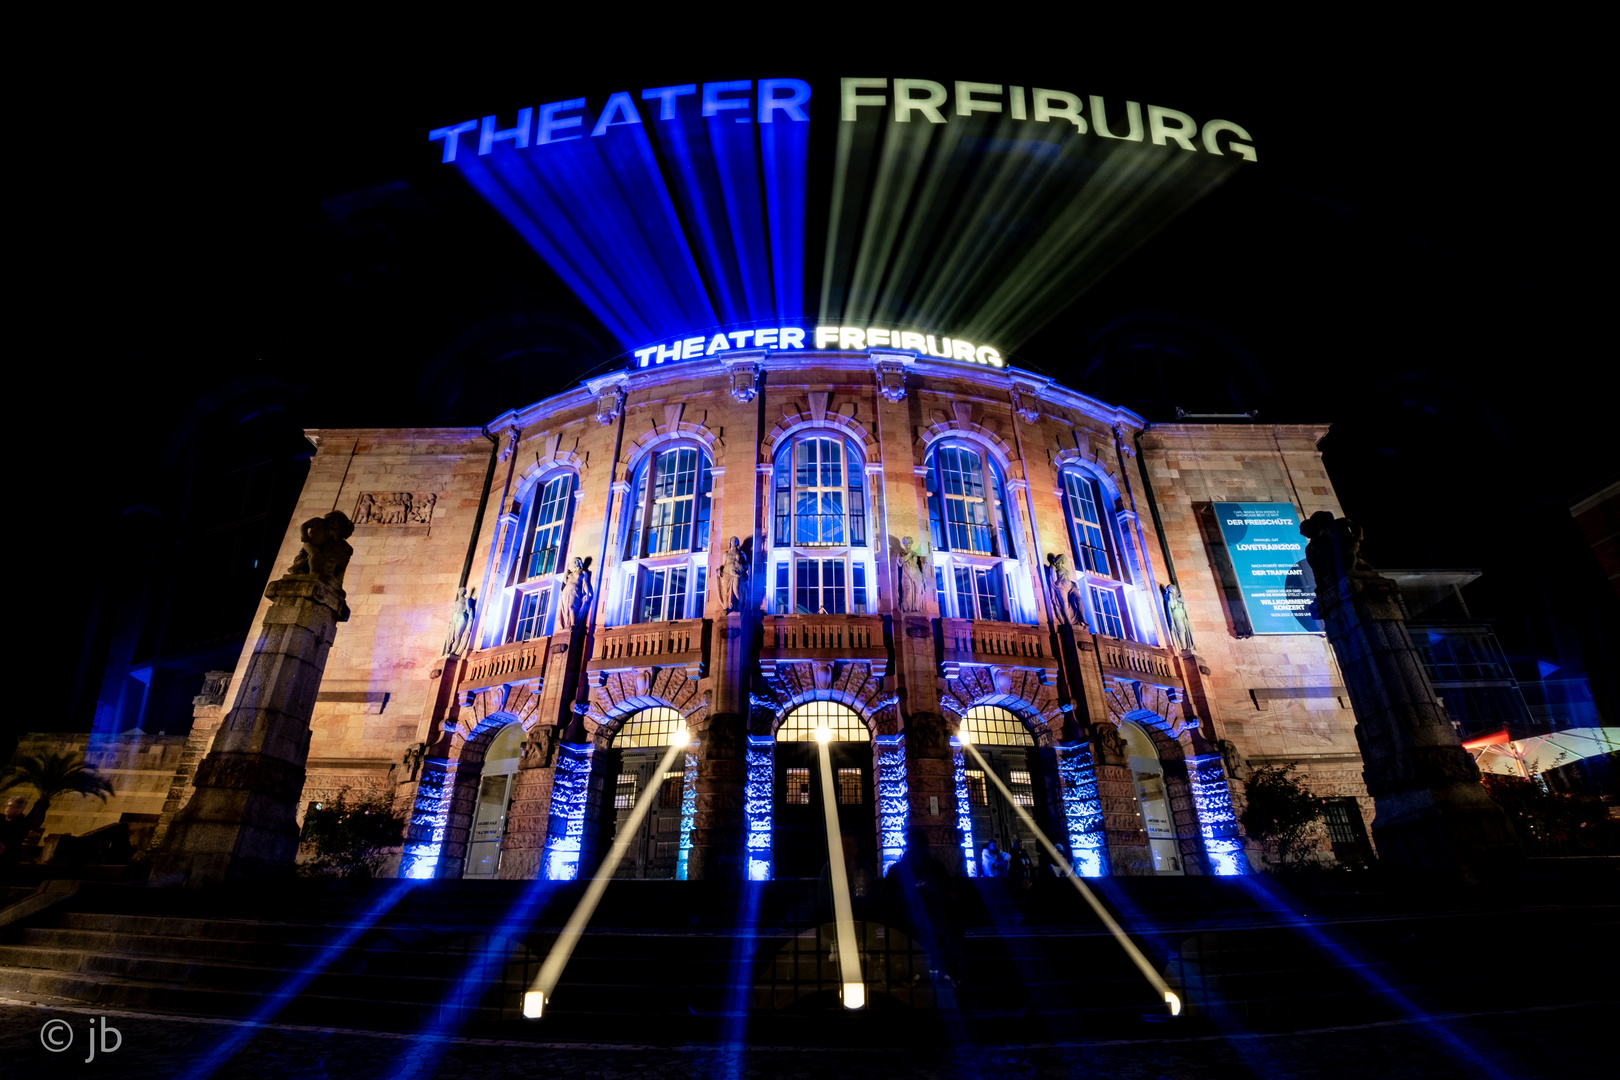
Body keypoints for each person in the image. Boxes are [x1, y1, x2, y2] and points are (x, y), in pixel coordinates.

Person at [885, 827, 962, 985]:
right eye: (913, 845)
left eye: (918, 845)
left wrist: (935, 892)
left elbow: (952, 895)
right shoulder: (898, 870)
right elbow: (886, 899)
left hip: (932, 923)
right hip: (908, 924)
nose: (916, 849)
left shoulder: (935, 868)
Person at [818, 832, 881, 924]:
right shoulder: (829, 869)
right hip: (833, 922)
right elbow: (825, 899)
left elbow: (867, 900)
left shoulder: (864, 869)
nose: (843, 848)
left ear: (856, 848)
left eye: (847, 845)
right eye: (841, 845)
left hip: (861, 923)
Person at [0, 796, 39, 883]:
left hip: (7, 859)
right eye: (7, 805)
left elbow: (13, 840)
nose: (7, 808)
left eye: (11, 806)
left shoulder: (21, 823)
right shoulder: (1, 819)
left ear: (20, 809)